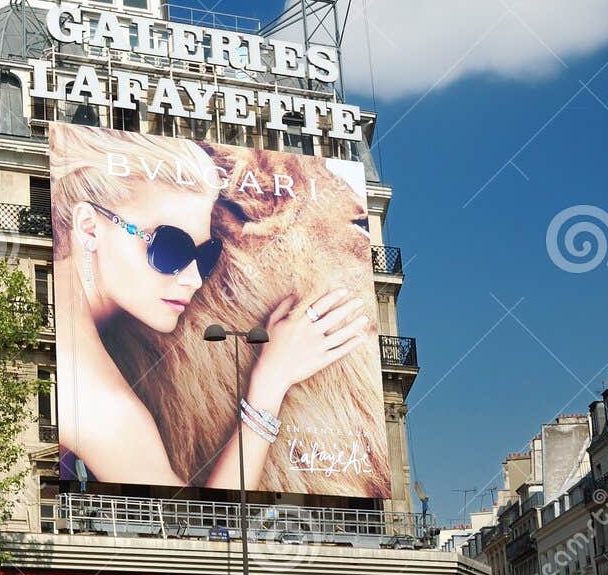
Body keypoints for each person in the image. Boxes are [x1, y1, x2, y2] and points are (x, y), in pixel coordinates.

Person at [51, 125, 381, 496]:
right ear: (89, 227)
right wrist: (270, 383)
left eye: (206, 256)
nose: (194, 279)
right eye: (170, 249)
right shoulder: (102, 406)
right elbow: (200, 525)